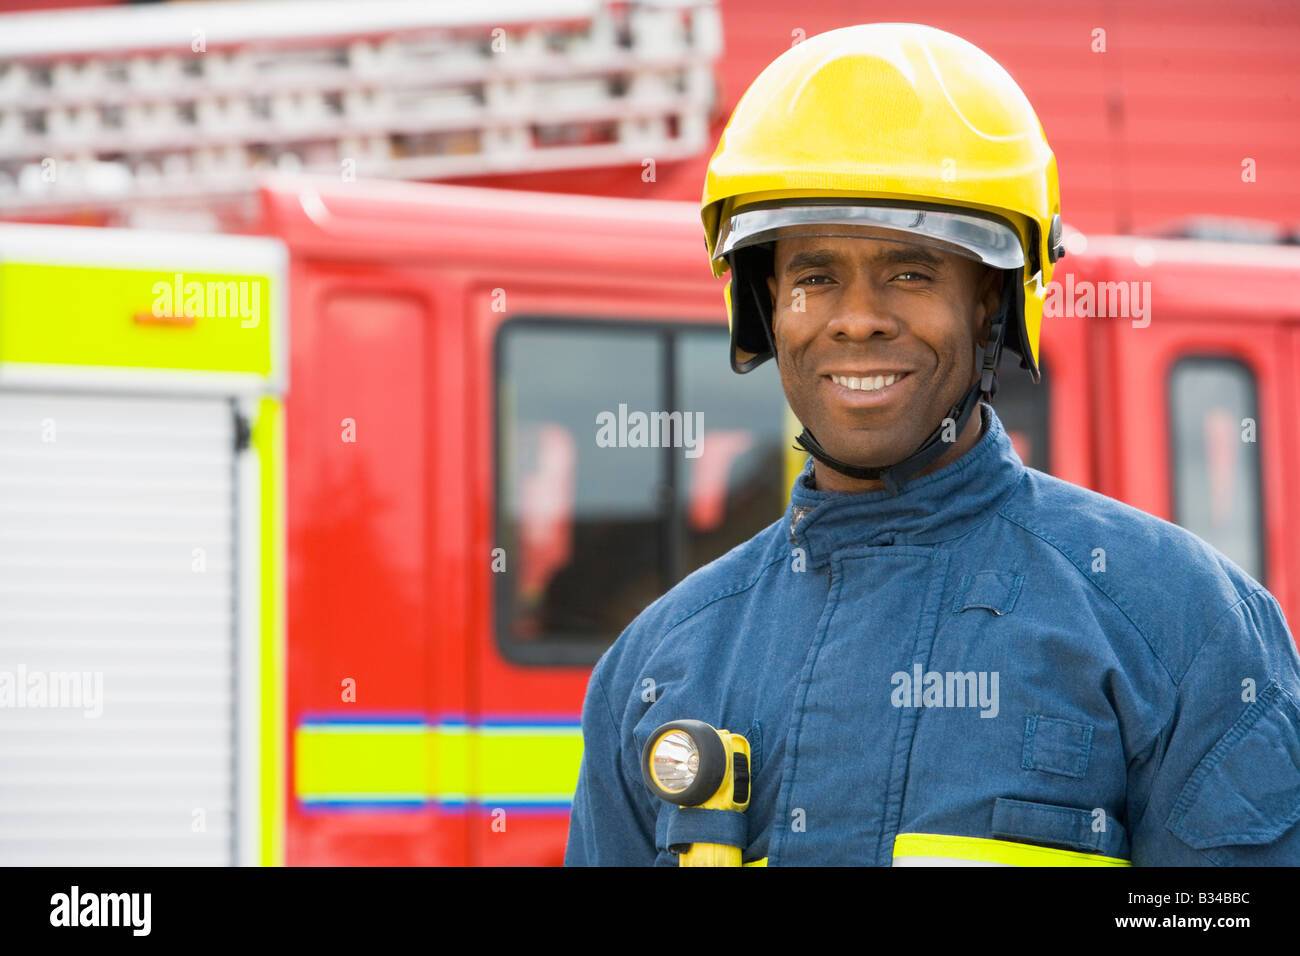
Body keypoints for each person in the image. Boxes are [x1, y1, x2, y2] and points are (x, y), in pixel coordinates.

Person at [565, 22, 1300, 866]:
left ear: (993, 301)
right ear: (766, 307)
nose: (857, 315)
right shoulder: (656, 666)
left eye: (910, 271)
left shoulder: (1184, 628)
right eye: (814, 276)